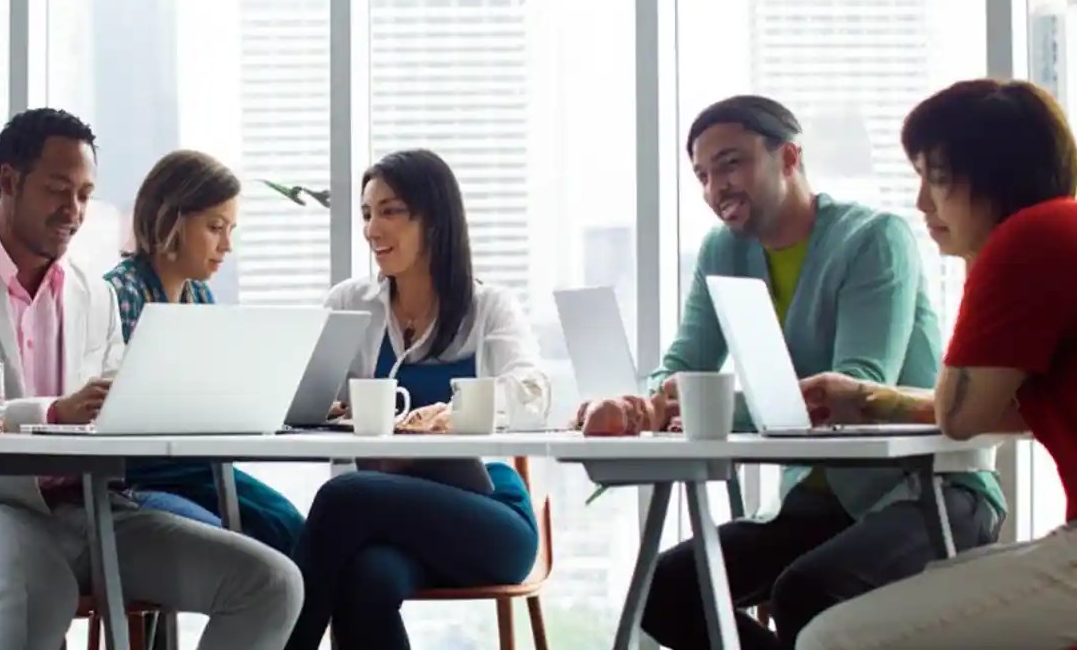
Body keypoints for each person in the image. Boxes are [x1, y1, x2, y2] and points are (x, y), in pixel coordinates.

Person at [574, 95, 1005, 649]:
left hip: (930, 493)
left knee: (805, 591)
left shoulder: (873, 240)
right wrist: (642, 404)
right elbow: (686, 364)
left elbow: (851, 391)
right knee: (664, 588)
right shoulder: (723, 251)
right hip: (819, 504)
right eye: (703, 175)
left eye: (732, 163)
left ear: (790, 157)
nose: (716, 188)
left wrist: (696, 407)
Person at [0, 108, 302, 650]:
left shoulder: (93, 293)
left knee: (270, 583)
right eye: (59, 190)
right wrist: (52, 413)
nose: (74, 211)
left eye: (85, 194)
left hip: (96, 511)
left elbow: (125, 412)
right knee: (39, 590)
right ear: (9, 181)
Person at [794, 80, 1077, 649]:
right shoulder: (1061, 230)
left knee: (831, 639)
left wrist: (981, 260)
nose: (924, 203)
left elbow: (960, 417)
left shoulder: (1026, 241)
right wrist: (873, 399)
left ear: (996, 176)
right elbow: (1010, 409)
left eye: (938, 178)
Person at [283, 149, 549, 649]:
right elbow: (301, 401)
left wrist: (456, 415)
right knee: (365, 579)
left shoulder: (488, 306)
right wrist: (332, 412)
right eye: (367, 213)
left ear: (434, 217)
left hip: (486, 512)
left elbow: (532, 392)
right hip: (386, 517)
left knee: (343, 496)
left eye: (390, 211)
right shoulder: (349, 304)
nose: (372, 228)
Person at [104, 149, 305, 555]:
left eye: (230, 229)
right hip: (141, 474)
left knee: (290, 527)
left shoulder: (200, 296)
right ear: (171, 220)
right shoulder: (118, 293)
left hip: (199, 466)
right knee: (256, 541)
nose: (226, 245)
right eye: (215, 227)